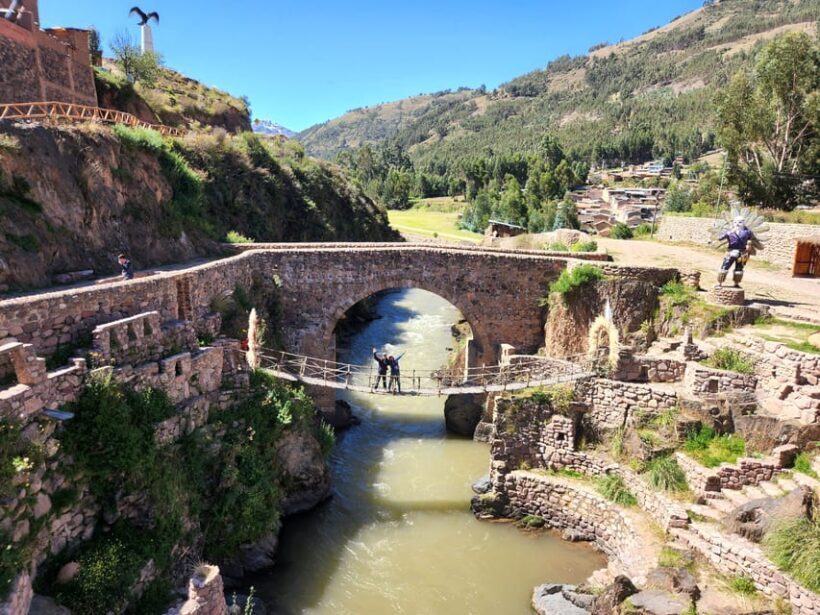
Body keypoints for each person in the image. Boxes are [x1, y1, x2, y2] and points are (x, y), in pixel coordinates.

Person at [716, 217, 754, 287]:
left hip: (742, 253)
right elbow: (720, 238)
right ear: (733, 223)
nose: (737, 224)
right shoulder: (729, 232)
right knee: (725, 266)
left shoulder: (748, 232)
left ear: (743, 223)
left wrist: (749, 245)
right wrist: (728, 233)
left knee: (739, 268)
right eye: (736, 222)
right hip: (730, 252)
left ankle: (736, 283)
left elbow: (750, 239)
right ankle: (720, 283)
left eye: (740, 222)